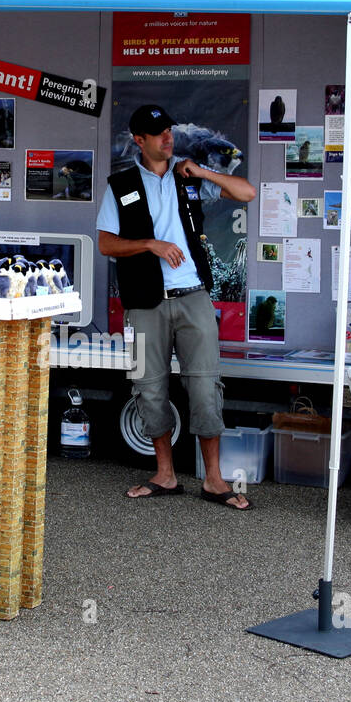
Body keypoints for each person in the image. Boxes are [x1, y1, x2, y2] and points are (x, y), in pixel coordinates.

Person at [96, 104, 258, 509]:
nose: (167, 137)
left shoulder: (188, 177)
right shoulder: (121, 184)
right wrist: (150, 245)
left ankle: (214, 481)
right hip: (144, 303)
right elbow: (106, 244)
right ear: (139, 140)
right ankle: (165, 476)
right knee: (149, 387)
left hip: (193, 298)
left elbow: (247, 193)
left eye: (169, 130)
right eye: (158, 133)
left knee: (205, 385)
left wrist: (201, 171)